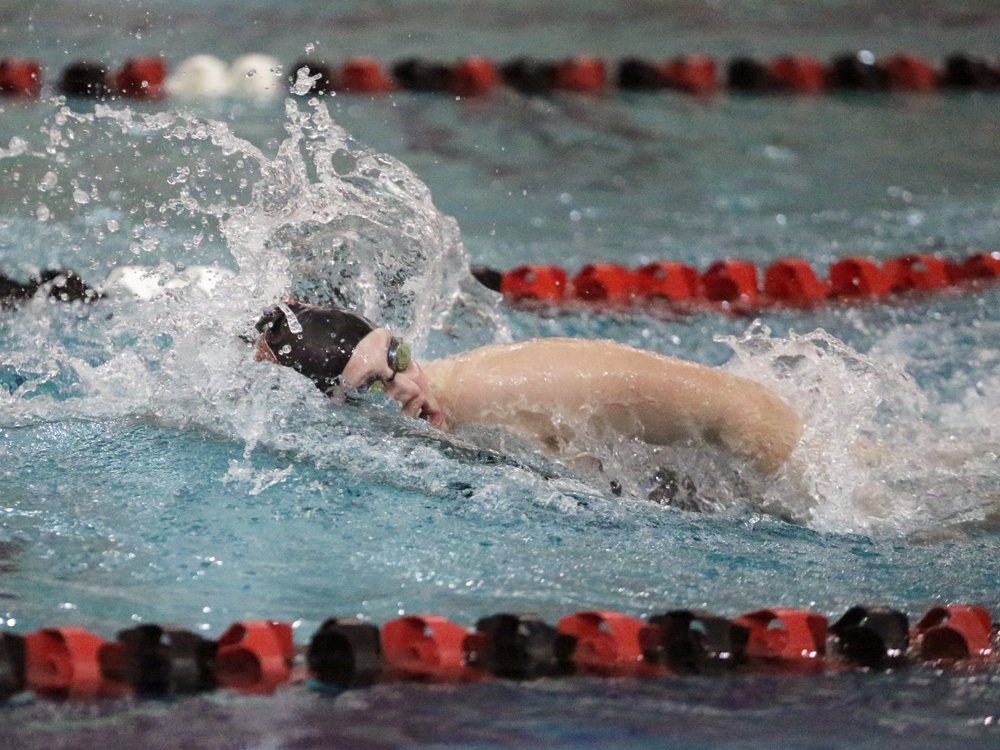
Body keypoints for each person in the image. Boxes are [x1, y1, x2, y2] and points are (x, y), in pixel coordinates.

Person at [255, 302, 802, 476]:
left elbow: (742, 408)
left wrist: (805, 487)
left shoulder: (514, 387)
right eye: (375, 386)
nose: (407, 387)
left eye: (398, 357)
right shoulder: (455, 428)